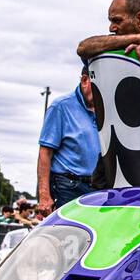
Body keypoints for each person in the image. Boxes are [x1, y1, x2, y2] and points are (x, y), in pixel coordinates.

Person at [37, 67, 100, 215]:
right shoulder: (61, 106)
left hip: (97, 187)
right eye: (98, 86)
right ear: (85, 80)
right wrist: (44, 196)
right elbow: (45, 153)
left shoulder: (106, 107)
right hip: (67, 187)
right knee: (69, 237)